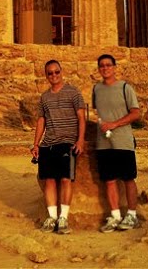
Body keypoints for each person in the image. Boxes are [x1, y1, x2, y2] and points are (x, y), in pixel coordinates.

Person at [31, 59, 87, 235]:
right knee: (49, 180)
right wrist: (36, 144)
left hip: (67, 142)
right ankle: (52, 217)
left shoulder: (73, 92)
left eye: (56, 72)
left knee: (65, 179)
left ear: (61, 72)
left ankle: (63, 217)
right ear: (46, 75)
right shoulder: (44, 97)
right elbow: (41, 121)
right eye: (50, 73)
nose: (53, 75)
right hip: (49, 143)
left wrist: (80, 141)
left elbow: (81, 118)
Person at [91, 53, 142, 232]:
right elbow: (98, 111)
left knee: (128, 178)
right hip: (103, 142)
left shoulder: (125, 88)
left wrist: (115, 124)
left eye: (108, 65)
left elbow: (136, 113)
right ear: (99, 69)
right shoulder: (96, 89)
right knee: (109, 180)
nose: (105, 68)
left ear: (114, 67)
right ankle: (115, 216)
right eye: (102, 66)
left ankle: (132, 215)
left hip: (123, 140)